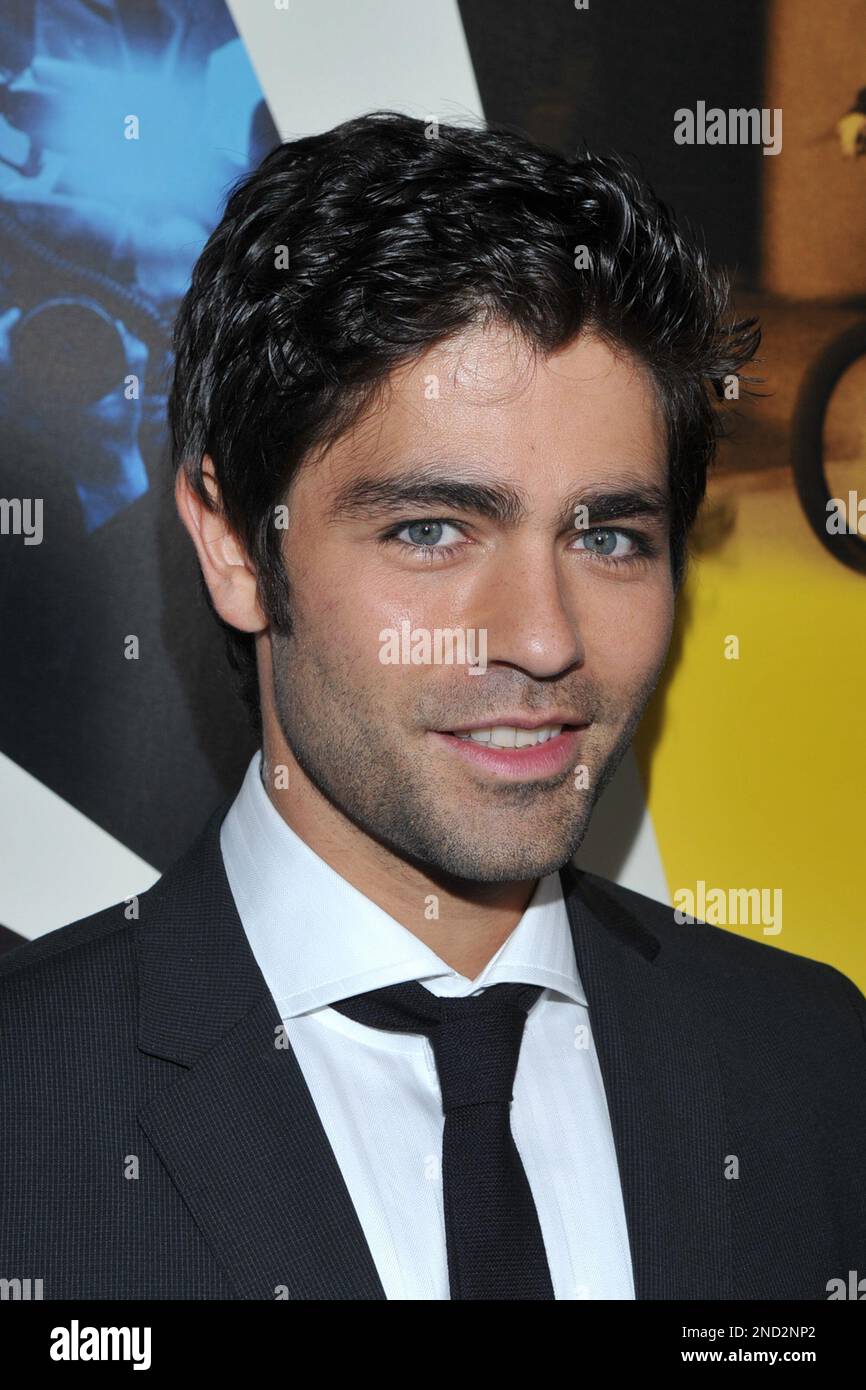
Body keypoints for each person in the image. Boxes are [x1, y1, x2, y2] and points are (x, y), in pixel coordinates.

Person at [2, 111, 864, 1302]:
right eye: (430, 529)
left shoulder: (812, 1069)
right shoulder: (25, 1114)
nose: (541, 636)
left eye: (608, 535)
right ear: (236, 545)